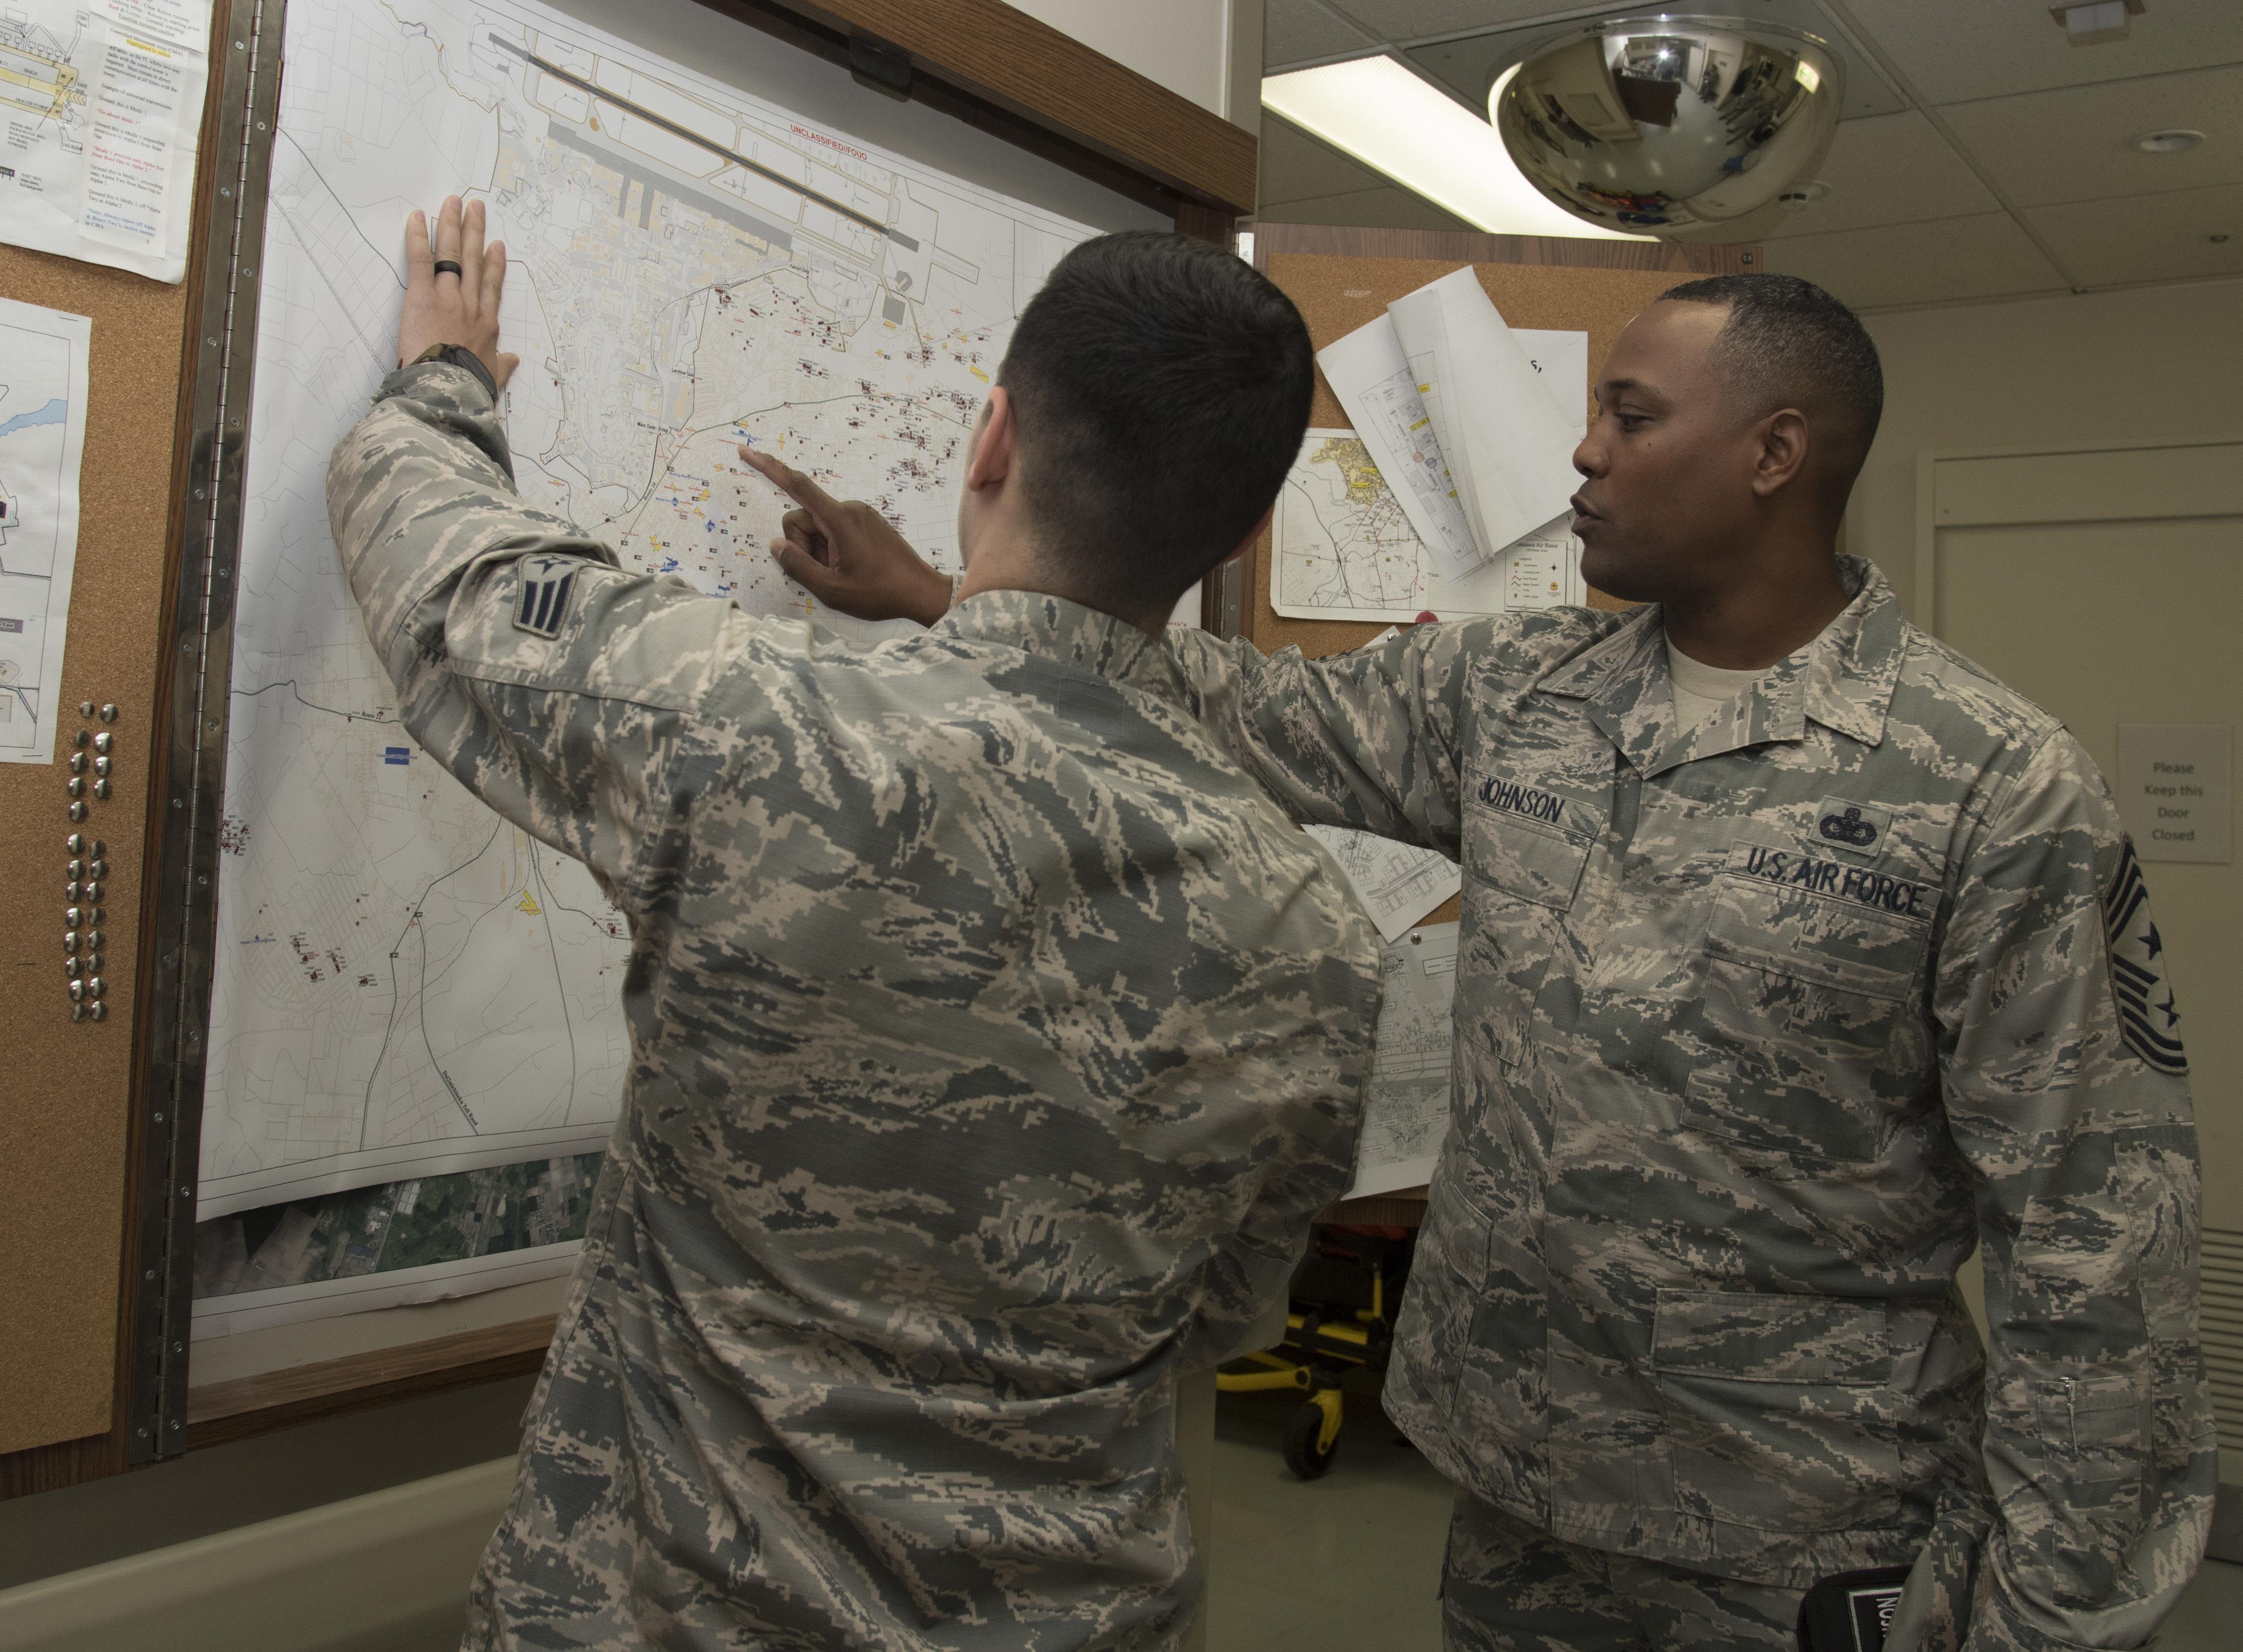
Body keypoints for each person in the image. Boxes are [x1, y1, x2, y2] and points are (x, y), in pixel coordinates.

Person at [784, 273, 2214, 1652]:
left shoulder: (1991, 787)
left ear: (1775, 453)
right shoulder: (1518, 691)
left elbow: (2097, 1234)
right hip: (1519, 1493)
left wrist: (2054, 1615)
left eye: (1631, 416)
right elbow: (1239, 710)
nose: (1584, 453)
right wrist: (942, 595)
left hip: (1802, 1526)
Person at [327, 198, 1384, 1651]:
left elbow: (455, 590)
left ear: (991, 440)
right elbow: (1216, 1312)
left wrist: (444, 385)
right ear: (1243, 528)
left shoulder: (762, 731)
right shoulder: (1319, 937)